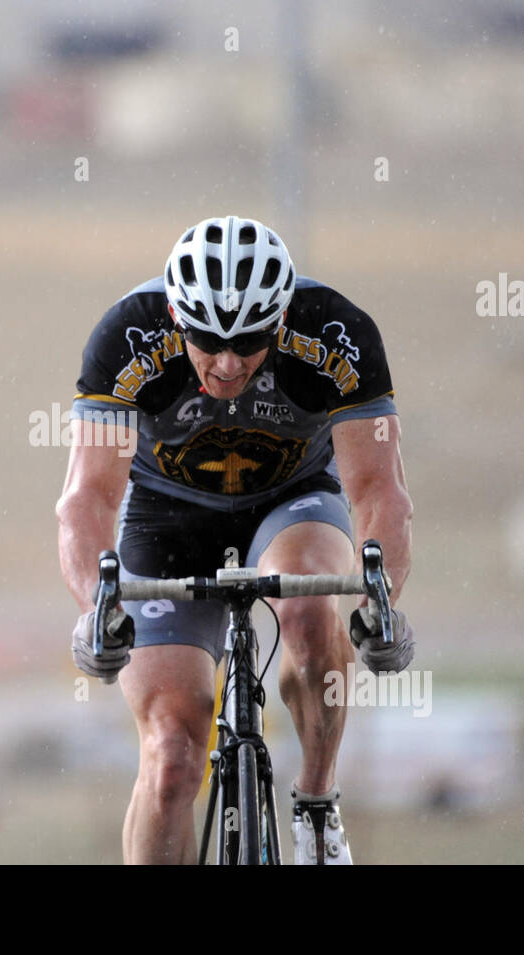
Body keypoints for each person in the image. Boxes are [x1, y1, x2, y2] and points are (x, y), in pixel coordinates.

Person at [55, 215, 414, 865]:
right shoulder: (126, 339)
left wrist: (378, 602)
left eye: (249, 341)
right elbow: (88, 498)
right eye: (207, 340)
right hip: (166, 517)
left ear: (279, 322)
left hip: (292, 498)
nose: (227, 362)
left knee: (309, 612)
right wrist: (94, 608)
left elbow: (379, 492)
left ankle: (316, 801)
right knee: (170, 756)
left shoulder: (336, 334)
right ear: (174, 315)